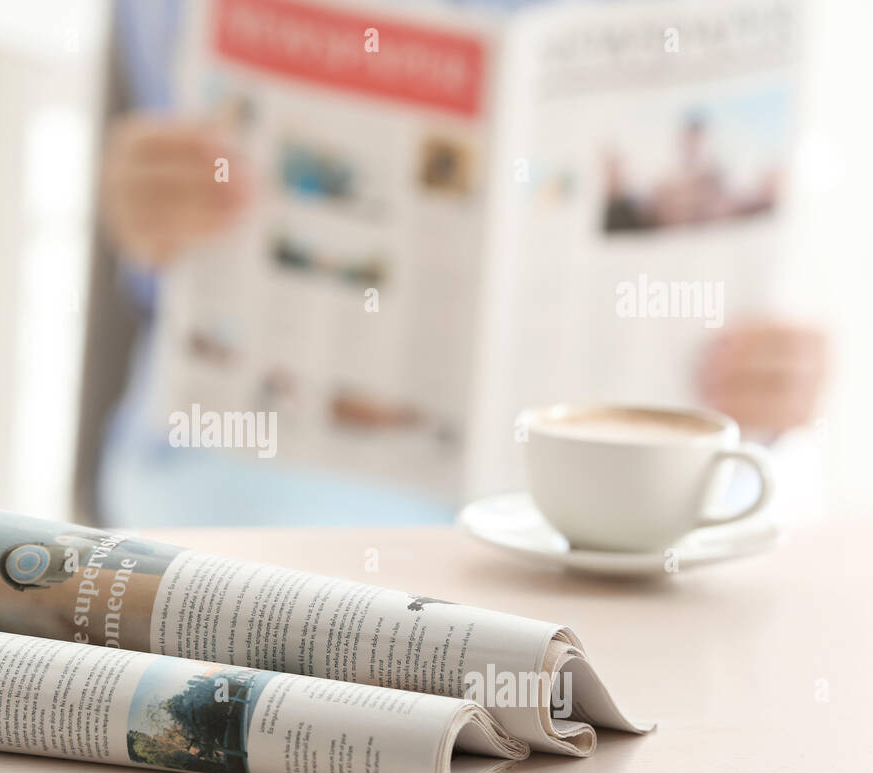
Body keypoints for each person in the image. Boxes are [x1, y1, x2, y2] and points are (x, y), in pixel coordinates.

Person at [78, 0, 827, 527]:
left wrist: (775, 374)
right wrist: (149, 200)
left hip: (630, 495)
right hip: (268, 481)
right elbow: (171, 225)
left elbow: (751, 283)